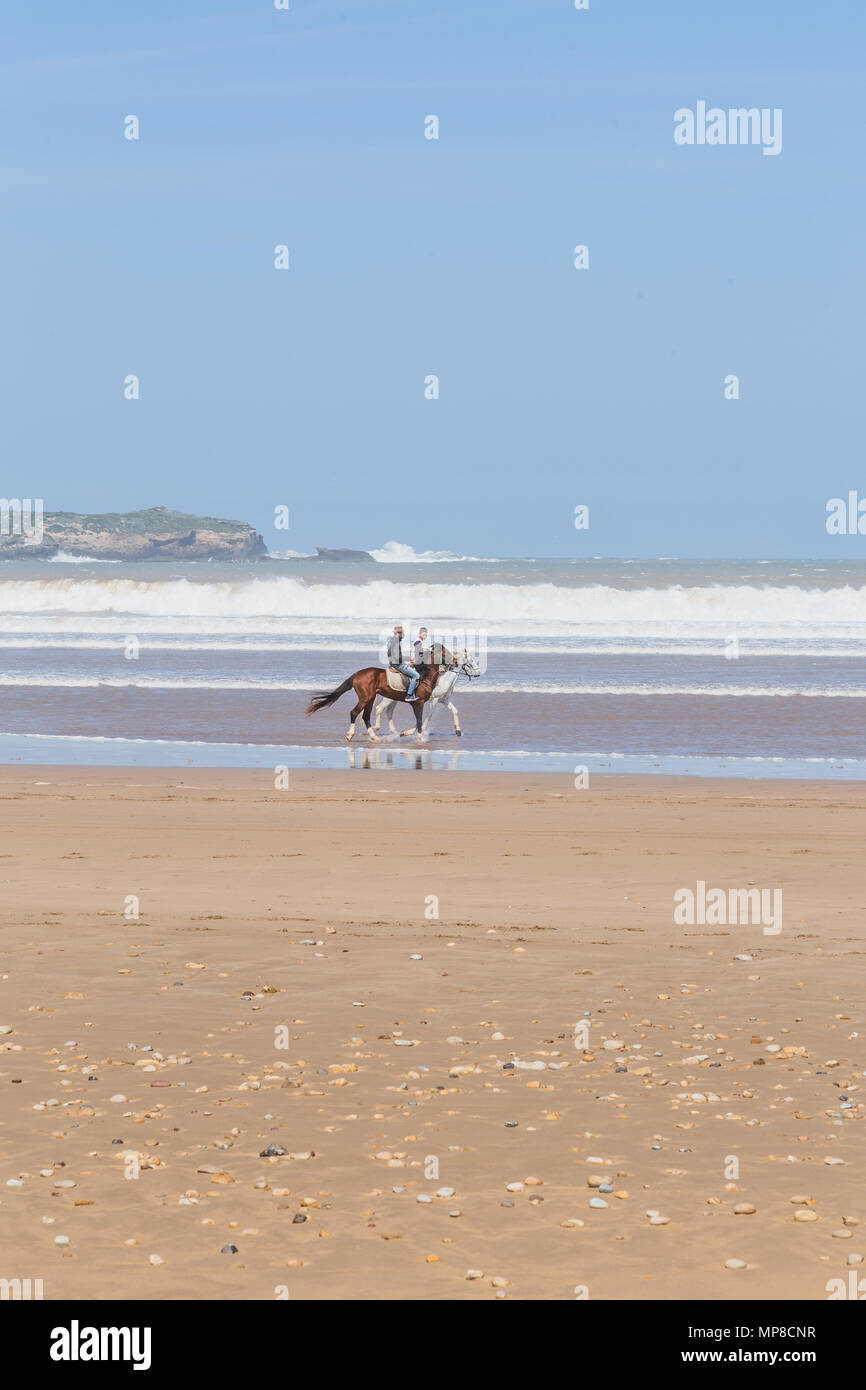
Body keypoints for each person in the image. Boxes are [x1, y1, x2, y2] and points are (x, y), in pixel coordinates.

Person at [386, 623, 419, 700]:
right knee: (416, 676)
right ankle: (409, 695)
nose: (403, 634)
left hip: (394, 663)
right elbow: (397, 657)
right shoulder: (395, 642)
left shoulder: (392, 640)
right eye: (402, 632)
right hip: (397, 664)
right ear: (398, 633)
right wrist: (408, 659)